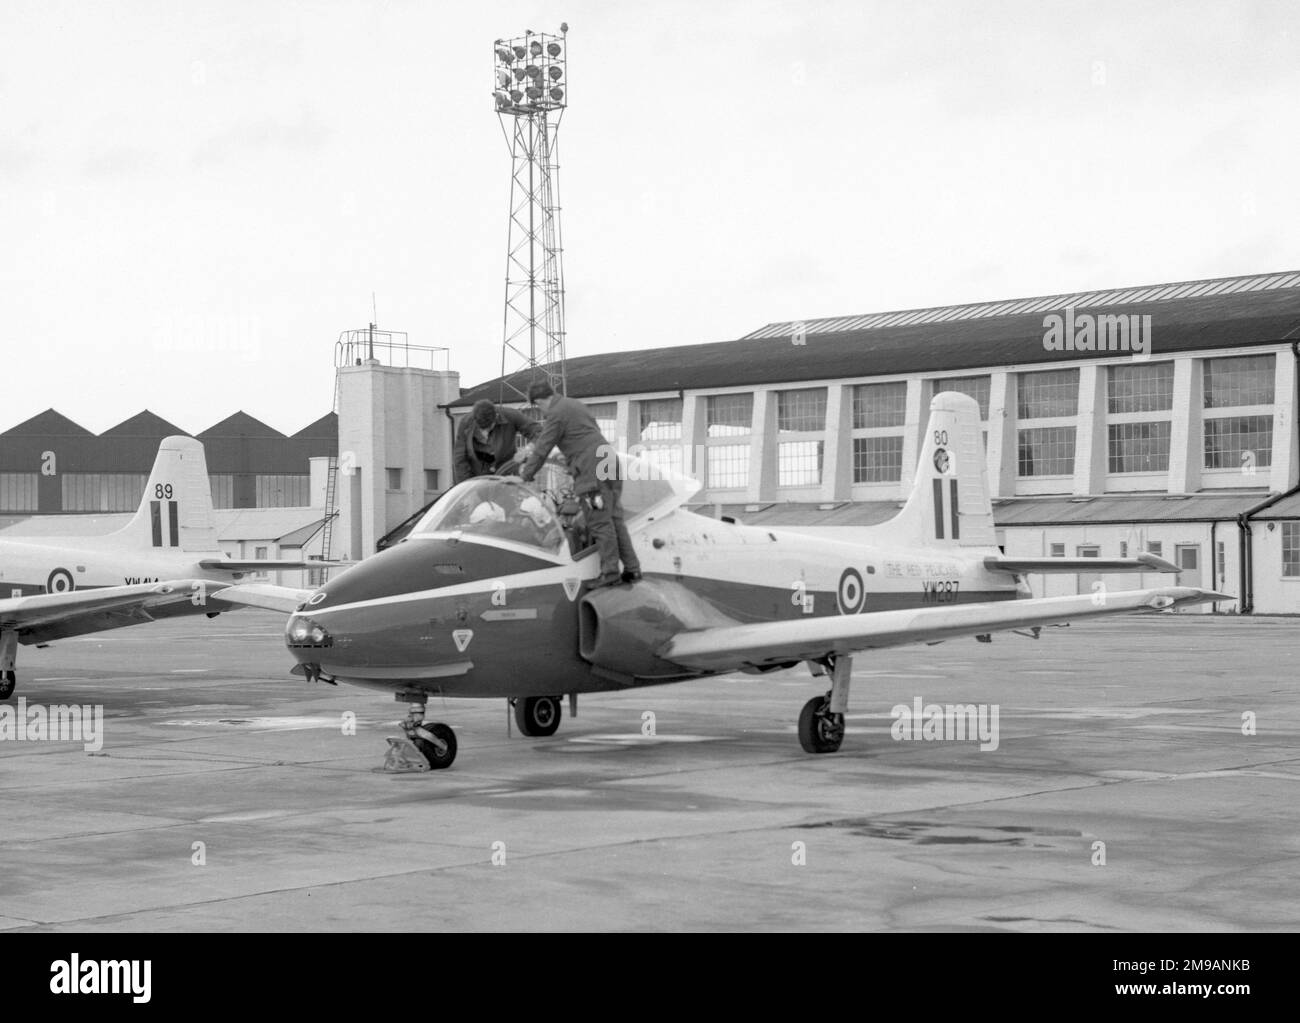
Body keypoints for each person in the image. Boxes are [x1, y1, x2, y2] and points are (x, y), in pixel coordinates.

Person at [518, 381, 641, 588]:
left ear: (540, 401)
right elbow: (585, 438)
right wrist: (571, 459)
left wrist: (525, 476)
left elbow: (543, 448)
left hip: (591, 471)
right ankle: (632, 569)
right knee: (614, 518)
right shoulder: (575, 405)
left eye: (538, 407)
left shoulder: (555, 413)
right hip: (608, 460)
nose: (541, 410)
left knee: (600, 522)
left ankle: (610, 574)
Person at [452, 399, 541, 484]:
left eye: (489, 428)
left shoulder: (511, 415)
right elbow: (460, 459)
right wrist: (467, 486)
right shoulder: (466, 422)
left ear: (496, 417)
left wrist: (526, 450)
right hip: (477, 481)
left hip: (506, 479)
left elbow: (540, 433)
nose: (485, 434)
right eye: (481, 429)